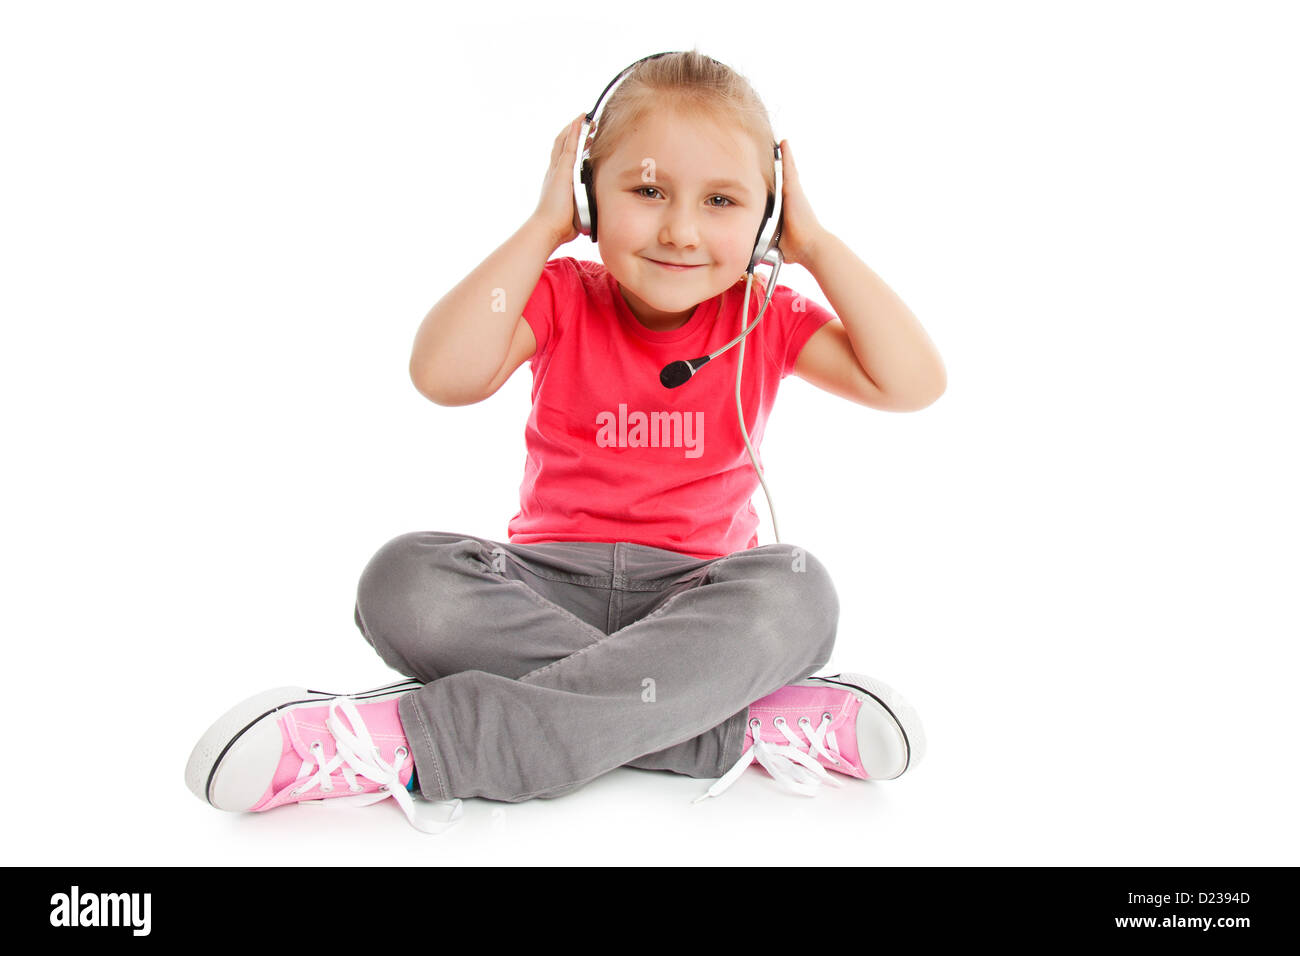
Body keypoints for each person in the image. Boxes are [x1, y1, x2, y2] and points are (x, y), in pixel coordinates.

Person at [185, 50, 946, 834]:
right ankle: (727, 723)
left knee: (800, 592)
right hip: (540, 587)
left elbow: (912, 382)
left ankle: (413, 743)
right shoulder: (560, 296)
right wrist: (542, 226)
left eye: (722, 200)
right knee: (403, 579)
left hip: (698, 601)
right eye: (647, 191)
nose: (681, 229)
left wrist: (814, 242)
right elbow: (441, 374)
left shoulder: (765, 316)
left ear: (768, 214)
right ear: (588, 195)